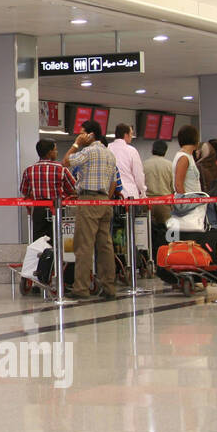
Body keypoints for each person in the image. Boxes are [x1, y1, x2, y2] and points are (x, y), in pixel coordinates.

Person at [64, 119, 118, 299]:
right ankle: (109, 287)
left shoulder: (88, 151)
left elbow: (65, 162)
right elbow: (113, 182)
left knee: (84, 245)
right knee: (105, 246)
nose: (79, 136)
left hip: (88, 200)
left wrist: (76, 144)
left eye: (82, 133)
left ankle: (81, 288)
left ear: (90, 135)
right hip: (105, 202)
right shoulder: (110, 154)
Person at [20, 139, 76, 241]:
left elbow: (24, 191)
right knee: (57, 241)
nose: (57, 152)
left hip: (38, 210)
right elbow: (73, 189)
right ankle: (55, 257)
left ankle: (42, 257)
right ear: (50, 152)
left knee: (39, 241)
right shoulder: (61, 169)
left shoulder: (29, 170)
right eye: (55, 150)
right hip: (57, 209)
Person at [143, 139, 174, 236]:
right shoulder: (170, 165)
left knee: (148, 233)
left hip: (147, 203)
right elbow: (173, 187)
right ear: (165, 151)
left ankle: (150, 251)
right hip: (164, 204)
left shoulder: (144, 164)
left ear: (152, 149)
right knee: (168, 234)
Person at [108, 123, 146, 200]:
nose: (132, 136)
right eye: (131, 134)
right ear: (126, 135)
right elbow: (138, 175)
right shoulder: (132, 151)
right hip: (130, 194)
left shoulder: (107, 148)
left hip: (111, 194)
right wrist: (143, 191)